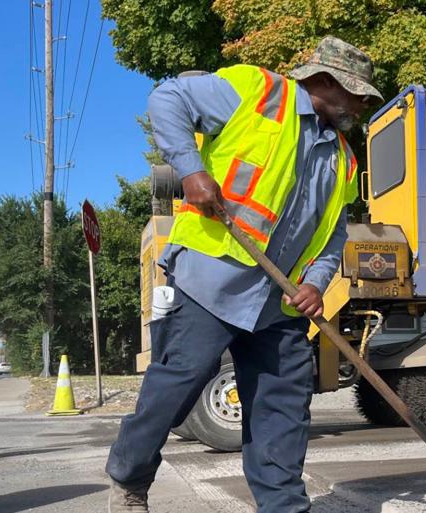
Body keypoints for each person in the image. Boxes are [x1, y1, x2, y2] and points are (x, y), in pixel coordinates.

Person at [106, 36, 382, 513]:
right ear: (327, 82)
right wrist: (191, 170)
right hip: (210, 279)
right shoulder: (256, 90)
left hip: (281, 301)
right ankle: (129, 480)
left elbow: (334, 233)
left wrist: (316, 283)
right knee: (176, 385)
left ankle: (284, 507)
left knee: (284, 409)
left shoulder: (343, 157)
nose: (360, 106)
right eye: (357, 94)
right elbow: (166, 97)